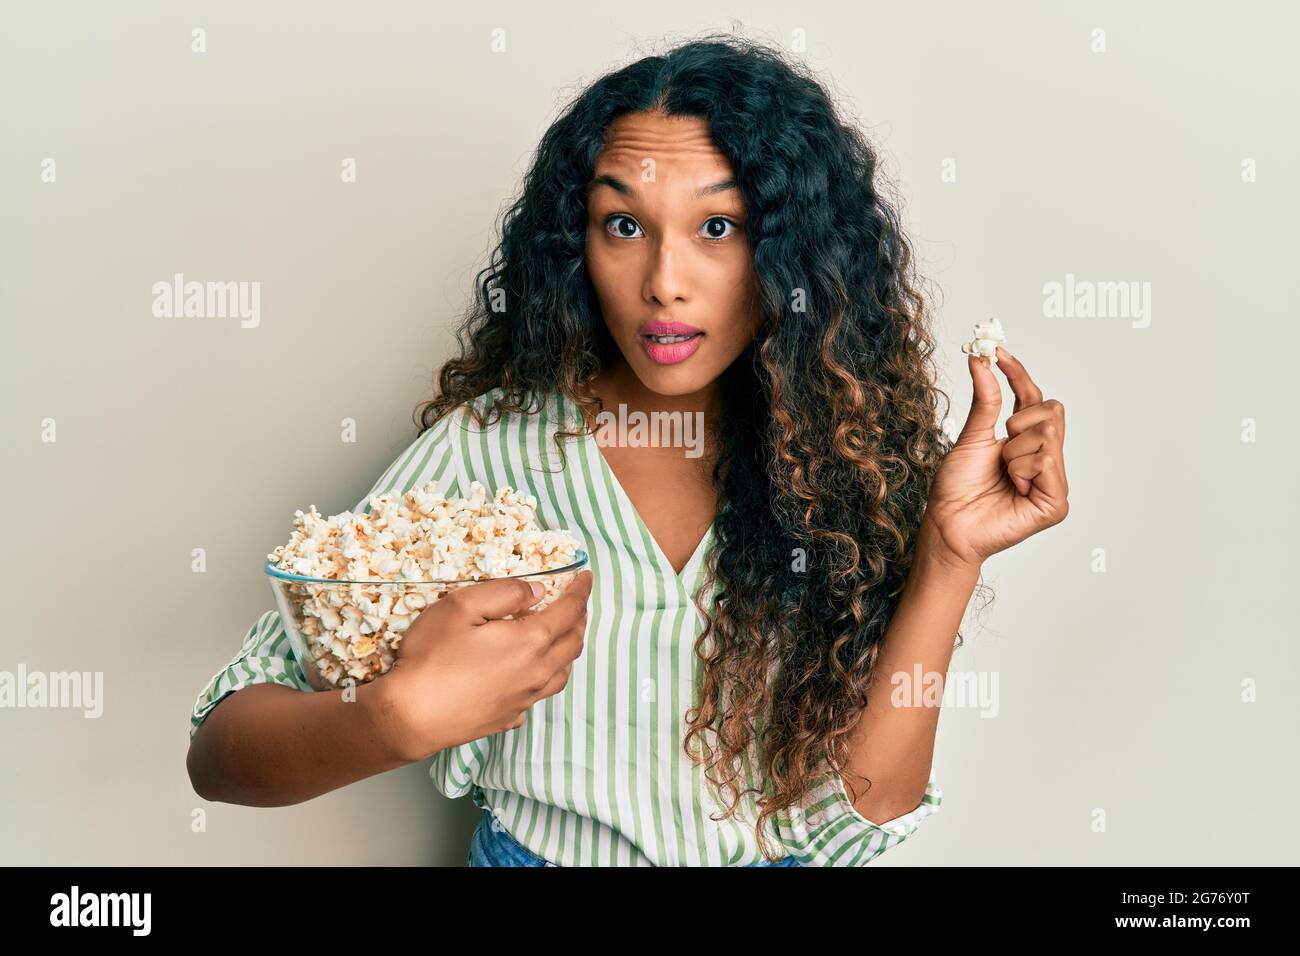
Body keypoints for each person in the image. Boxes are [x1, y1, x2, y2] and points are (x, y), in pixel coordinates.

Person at [186, 35, 1069, 867]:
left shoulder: (848, 474)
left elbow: (858, 822)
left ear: (794, 256)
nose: (663, 282)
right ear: (576, 244)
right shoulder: (488, 457)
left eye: (717, 228)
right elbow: (222, 751)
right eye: (622, 224)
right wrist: (392, 718)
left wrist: (949, 555)